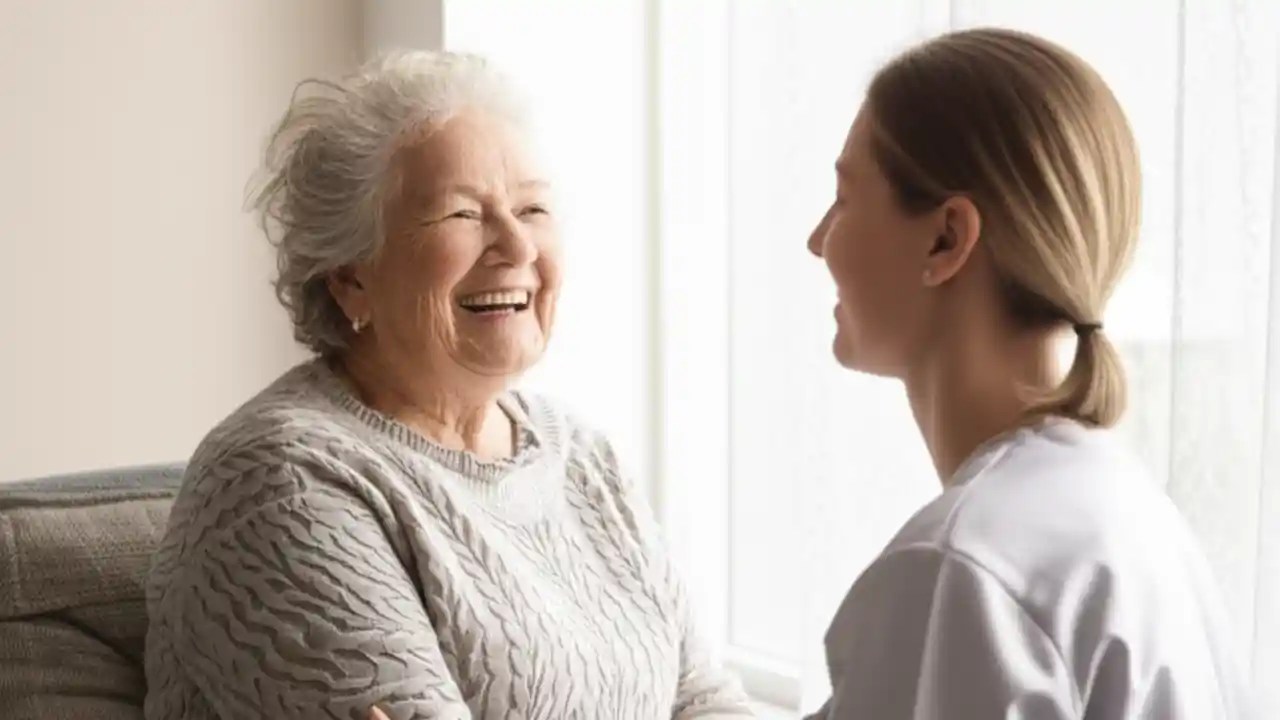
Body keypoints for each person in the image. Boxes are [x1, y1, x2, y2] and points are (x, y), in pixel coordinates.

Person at [144, 50, 751, 720]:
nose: (518, 247)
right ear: (349, 276)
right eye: (462, 215)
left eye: (533, 207)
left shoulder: (578, 454)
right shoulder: (283, 479)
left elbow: (705, 700)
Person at [804, 28, 1251, 718]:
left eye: (844, 198)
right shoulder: (1134, 517)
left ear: (946, 238)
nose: (817, 240)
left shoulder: (962, 568)